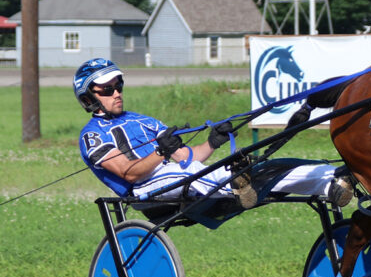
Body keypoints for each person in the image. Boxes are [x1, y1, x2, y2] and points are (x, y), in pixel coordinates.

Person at [74, 58, 352, 208]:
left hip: (177, 175)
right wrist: (161, 151)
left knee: (258, 169)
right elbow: (129, 173)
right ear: (89, 98)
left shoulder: (143, 120)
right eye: (107, 89)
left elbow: (187, 157)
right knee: (197, 174)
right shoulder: (93, 135)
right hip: (145, 188)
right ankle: (236, 183)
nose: (117, 93)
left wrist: (213, 142)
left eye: (118, 85)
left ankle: (329, 181)